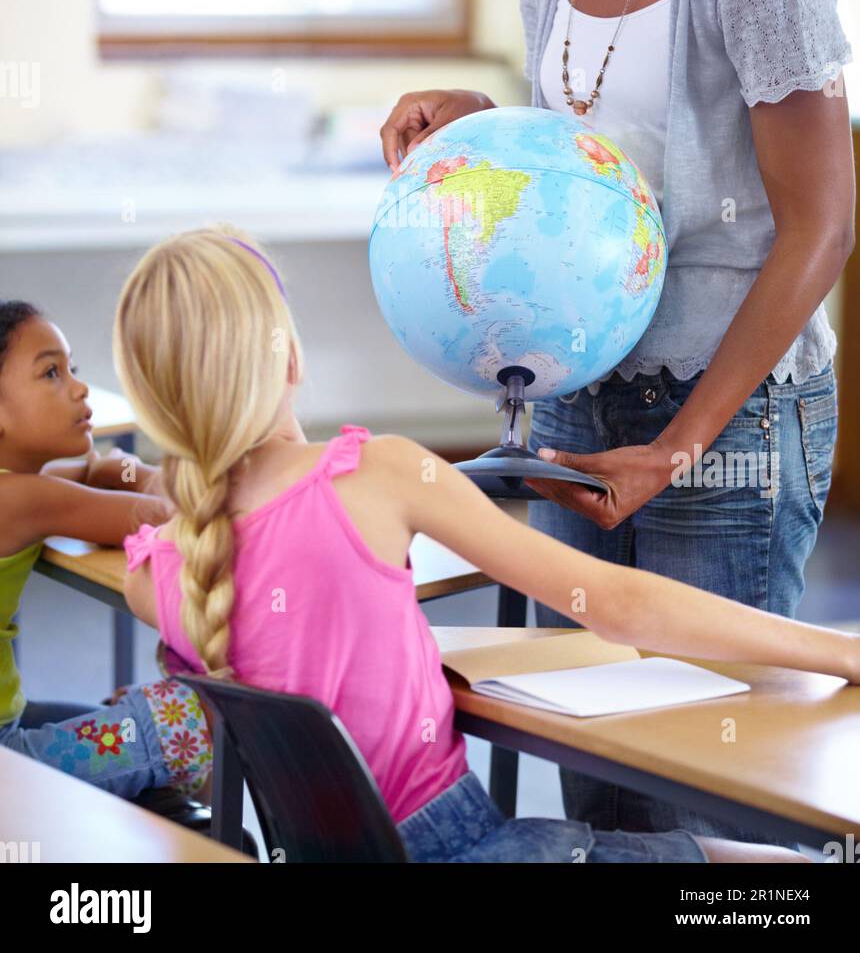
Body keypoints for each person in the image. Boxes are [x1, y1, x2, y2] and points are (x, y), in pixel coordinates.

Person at [378, 0, 855, 845]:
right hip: (584, 403)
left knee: (707, 770)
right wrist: (476, 117)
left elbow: (818, 220)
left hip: (727, 410)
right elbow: (600, 149)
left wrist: (686, 441)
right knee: (589, 756)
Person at [115, 222, 858, 863]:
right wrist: (840, 653)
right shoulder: (378, 472)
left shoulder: (156, 572)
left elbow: (299, 636)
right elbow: (616, 605)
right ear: (289, 359)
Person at [0, 299, 213, 800]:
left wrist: (137, 475)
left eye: (72, 368)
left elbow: (98, 473)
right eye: (51, 372)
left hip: (9, 727)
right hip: (6, 760)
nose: (78, 387)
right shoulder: (24, 499)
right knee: (196, 719)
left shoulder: (25, 486)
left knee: (135, 726)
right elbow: (166, 517)